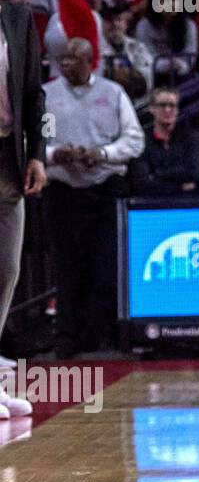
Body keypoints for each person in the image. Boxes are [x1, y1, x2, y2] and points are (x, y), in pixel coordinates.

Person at [42, 38, 144, 357]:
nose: (65, 64)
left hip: (104, 188)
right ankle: (68, 337)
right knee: (66, 267)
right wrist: (54, 154)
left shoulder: (113, 93)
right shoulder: (47, 95)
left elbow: (134, 139)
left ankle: (105, 336)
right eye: (63, 59)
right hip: (62, 191)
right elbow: (35, 141)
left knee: (105, 266)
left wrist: (103, 153)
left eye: (73, 58)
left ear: (90, 61)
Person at [0, 0, 46, 414]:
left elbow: (34, 94)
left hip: (8, 160)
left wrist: (37, 155)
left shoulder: (16, 19)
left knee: (7, 271)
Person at [130, 87, 199, 196]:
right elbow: (142, 183)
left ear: (177, 110)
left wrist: (156, 174)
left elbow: (193, 173)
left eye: (172, 105)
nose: (167, 109)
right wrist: (180, 187)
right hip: (149, 203)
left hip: (186, 202)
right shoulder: (140, 139)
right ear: (151, 109)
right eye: (162, 105)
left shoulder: (189, 138)